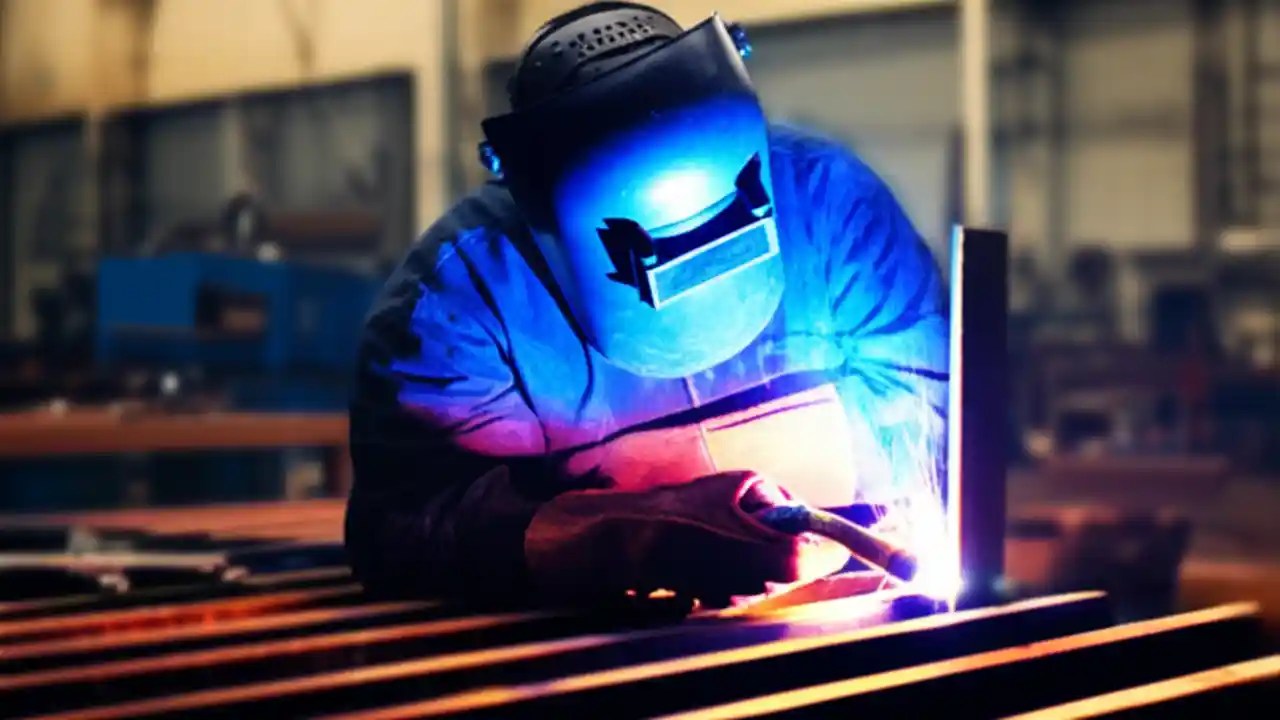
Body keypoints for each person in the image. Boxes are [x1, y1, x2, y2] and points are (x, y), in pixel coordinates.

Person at [345, 2, 948, 608]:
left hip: (835, 613)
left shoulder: (831, 207)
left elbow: (933, 424)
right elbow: (405, 530)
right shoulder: (458, 302)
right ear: (540, 206)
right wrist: (633, 534)